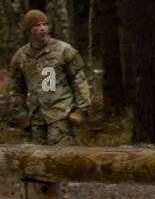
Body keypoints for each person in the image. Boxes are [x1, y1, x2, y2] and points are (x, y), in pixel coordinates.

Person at [8, 9, 92, 146]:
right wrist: (20, 113)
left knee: (62, 159)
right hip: (36, 117)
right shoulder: (21, 56)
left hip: (61, 115)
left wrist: (81, 110)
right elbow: (16, 87)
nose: (42, 29)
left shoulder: (63, 50)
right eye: (37, 26)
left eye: (45, 25)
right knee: (38, 161)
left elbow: (79, 80)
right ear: (29, 30)